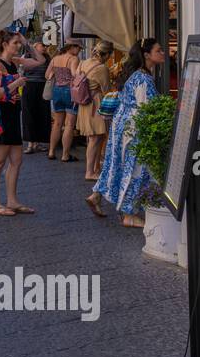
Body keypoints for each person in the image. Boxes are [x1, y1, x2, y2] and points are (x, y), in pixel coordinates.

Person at [89, 38, 166, 227]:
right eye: (159, 50)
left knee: (116, 163)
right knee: (134, 168)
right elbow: (145, 107)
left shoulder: (136, 75)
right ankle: (129, 214)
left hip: (121, 124)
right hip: (133, 129)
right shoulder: (143, 79)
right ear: (147, 55)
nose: (163, 52)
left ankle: (97, 195)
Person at [0, 29, 47, 216]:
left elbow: (41, 61)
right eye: (15, 43)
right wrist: (16, 84)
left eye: (18, 43)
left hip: (12, 114)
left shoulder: (14, 62)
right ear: (5, 44)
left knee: (17, 161)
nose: (18, 46)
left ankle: (12, 200)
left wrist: (27, 43)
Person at [77, 41, 114, 182]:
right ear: (108, 54)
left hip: (84, 102)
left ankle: (96, 168)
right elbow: (107, 90)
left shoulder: (84, 62)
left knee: (96, 137)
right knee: (94, 138)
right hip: (95, 102)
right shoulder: (102, 68)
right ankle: (89, 172)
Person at [47, 40, 83, 162]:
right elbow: (74, 74)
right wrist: (81, 74)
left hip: (56, 91)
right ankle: (65, 155)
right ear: (72, 47)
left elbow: (47, 75)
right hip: (69, 91)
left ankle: (51, 151)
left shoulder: (55, 58)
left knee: (57, 124)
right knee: (69, 125)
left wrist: (58, 75)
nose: (79, 51)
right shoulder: (73, 59)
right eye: (79, 48)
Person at [20, 39, 52, 154]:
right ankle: (30, 143)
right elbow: (22, 70)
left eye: (44, 46)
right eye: (41, 45)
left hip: (43, 87)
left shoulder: (47, 58)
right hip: (29, 86)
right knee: (29, 114)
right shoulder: (26, 56)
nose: (43, 48)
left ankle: (38, 142)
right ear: (35, 47)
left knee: (42, 114)